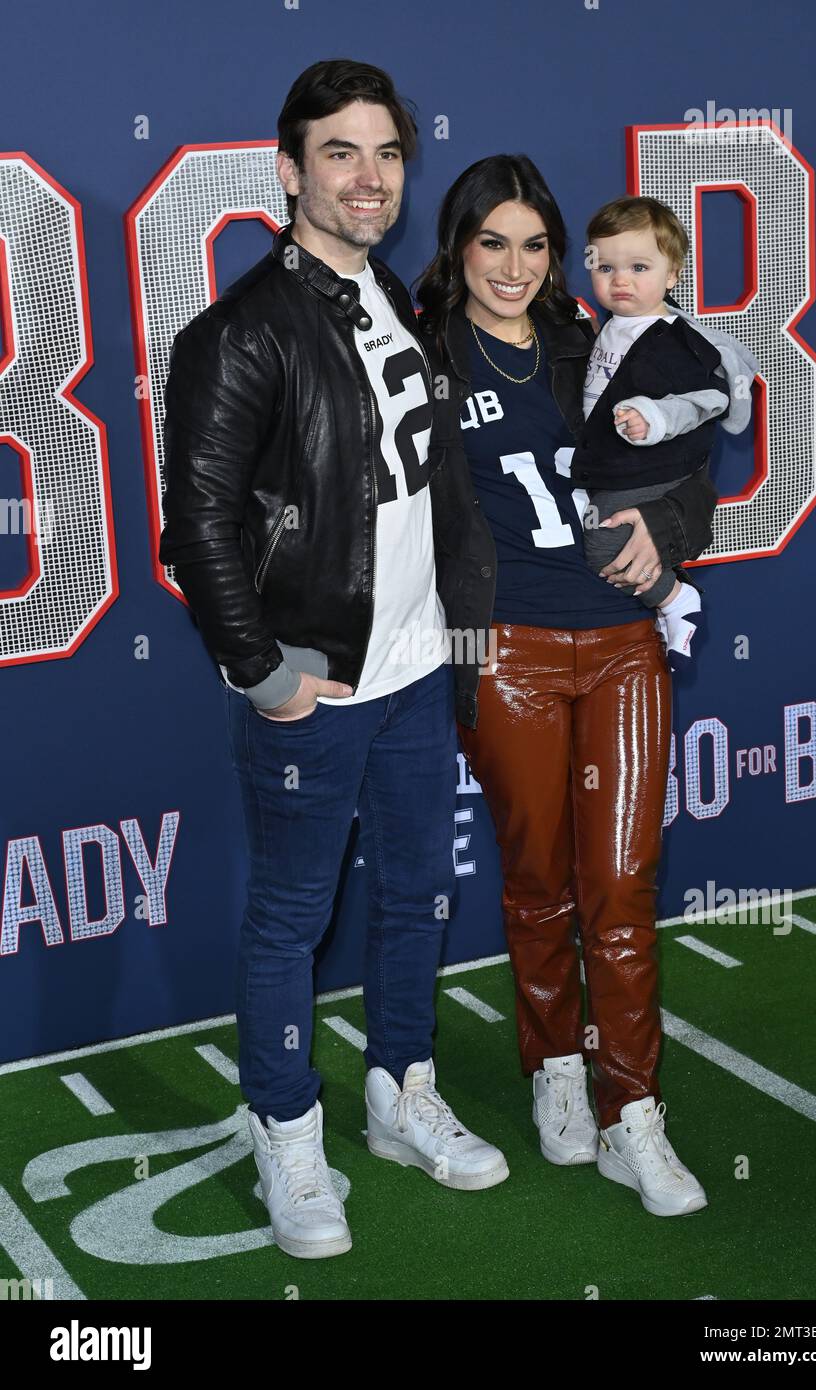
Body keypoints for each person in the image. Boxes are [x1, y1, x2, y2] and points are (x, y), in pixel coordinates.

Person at [158, 59, 508, 1263]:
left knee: (417, 894)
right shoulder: (241, 331)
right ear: (292, 169)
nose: (370, 178)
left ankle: (399, 1088)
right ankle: (284, 1126)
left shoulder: (403, 306)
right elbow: (192, 525)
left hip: (418, 672)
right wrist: (266, 671)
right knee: (293, 918)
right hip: (318, 683)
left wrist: (457, 649)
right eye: (343, 153)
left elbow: (433, 505)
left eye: (388, 154)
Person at [415, 154, 716, 1216]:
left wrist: (667, 542)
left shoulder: (596, 342)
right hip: (506, 650)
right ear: (458, 246)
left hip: (624, 639)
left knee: (622, 886)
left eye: (535, 243)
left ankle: (634, 1109)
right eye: (492, 241)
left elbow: (693, 463)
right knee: (538, 879)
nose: (514, 264)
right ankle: (555, 1067)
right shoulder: (421, 356)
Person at [574, 195, 760, 671]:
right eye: (604, 266)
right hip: (612, 464)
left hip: (651, 469)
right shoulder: (609, 327)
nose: (620, 280)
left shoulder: (674, 338)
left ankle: (675, 599)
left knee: (601, 544)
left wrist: (655, 417)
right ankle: (661, 595)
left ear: (672, 274)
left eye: (639, 267)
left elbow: (711, 399)